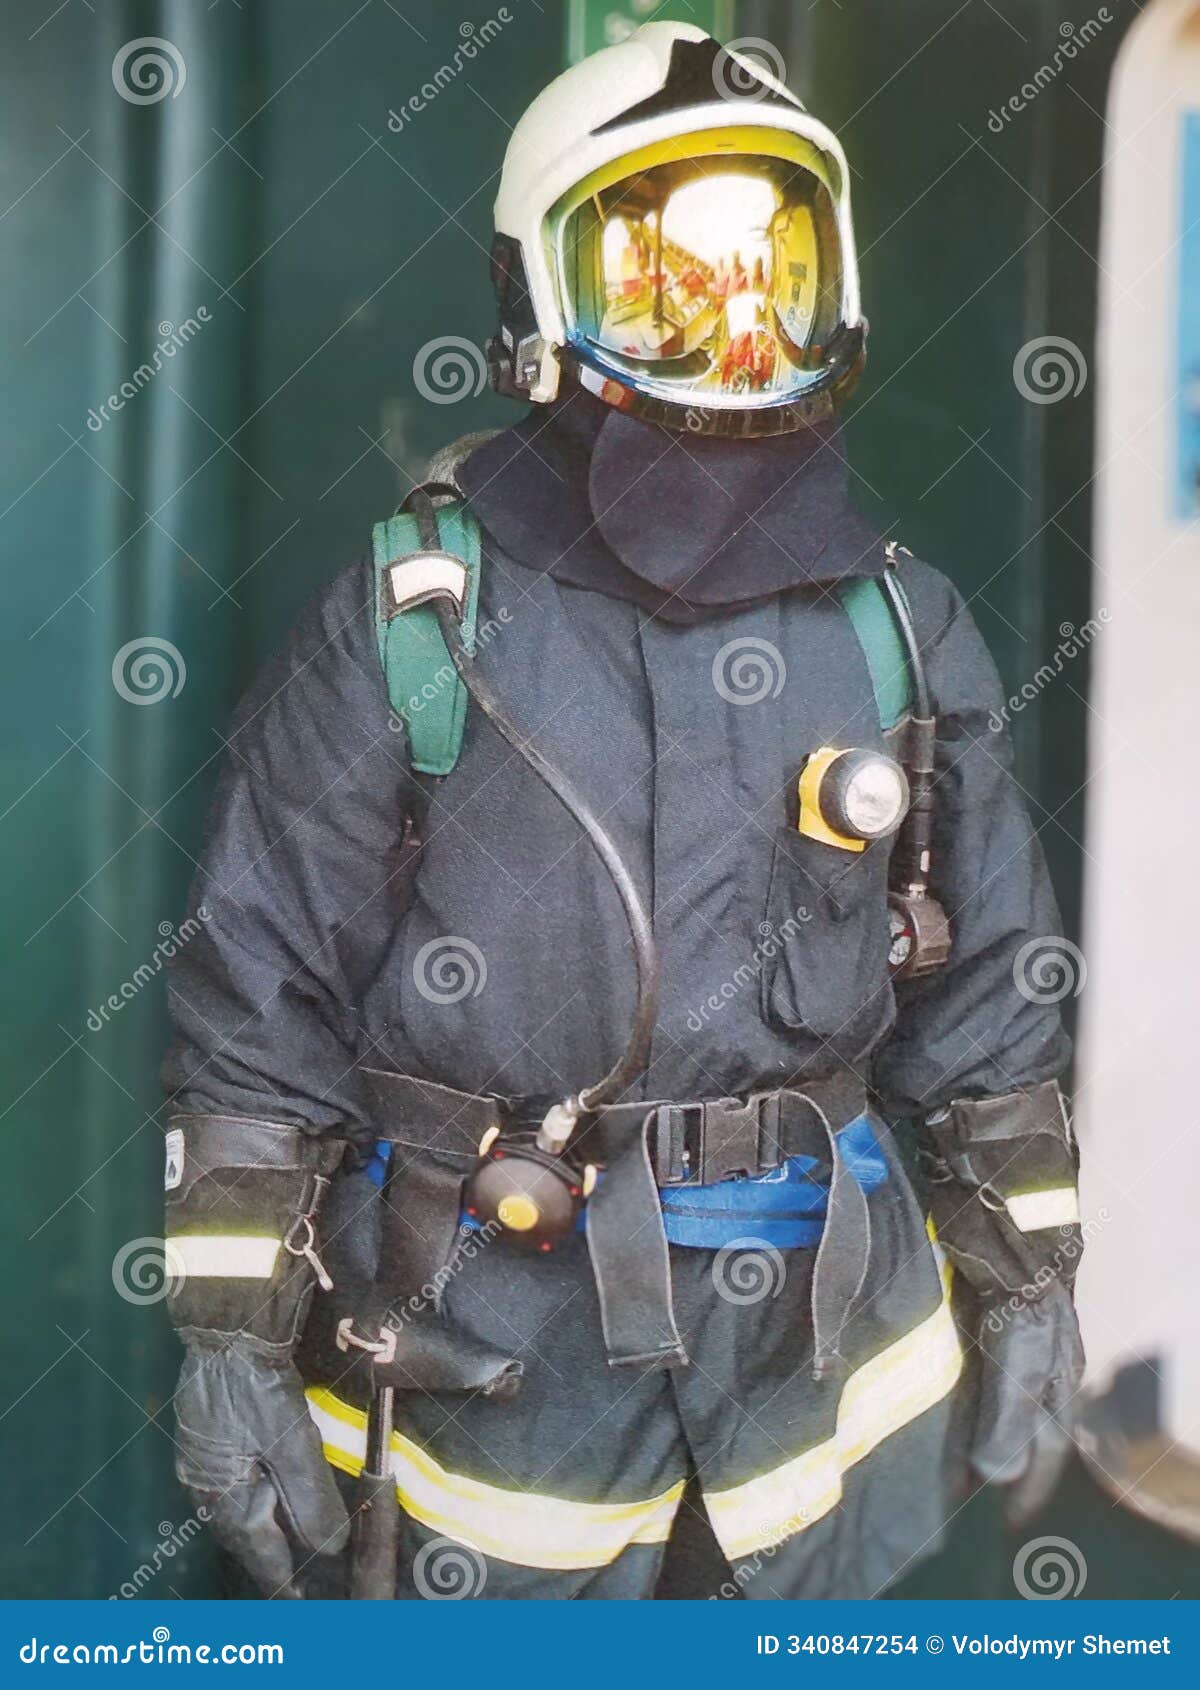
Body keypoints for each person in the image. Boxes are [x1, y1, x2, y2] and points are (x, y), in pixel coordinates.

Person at [162, 22, 1083, 1602]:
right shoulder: (417, 621)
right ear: (545, 297)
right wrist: (228, 1329)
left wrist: (1029, 1271)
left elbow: (991, 983)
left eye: (765, 262)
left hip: (817, 1409)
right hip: (495, 1411)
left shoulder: (896, 622)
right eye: (667, 270)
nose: (730, 319)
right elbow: (259, 995)